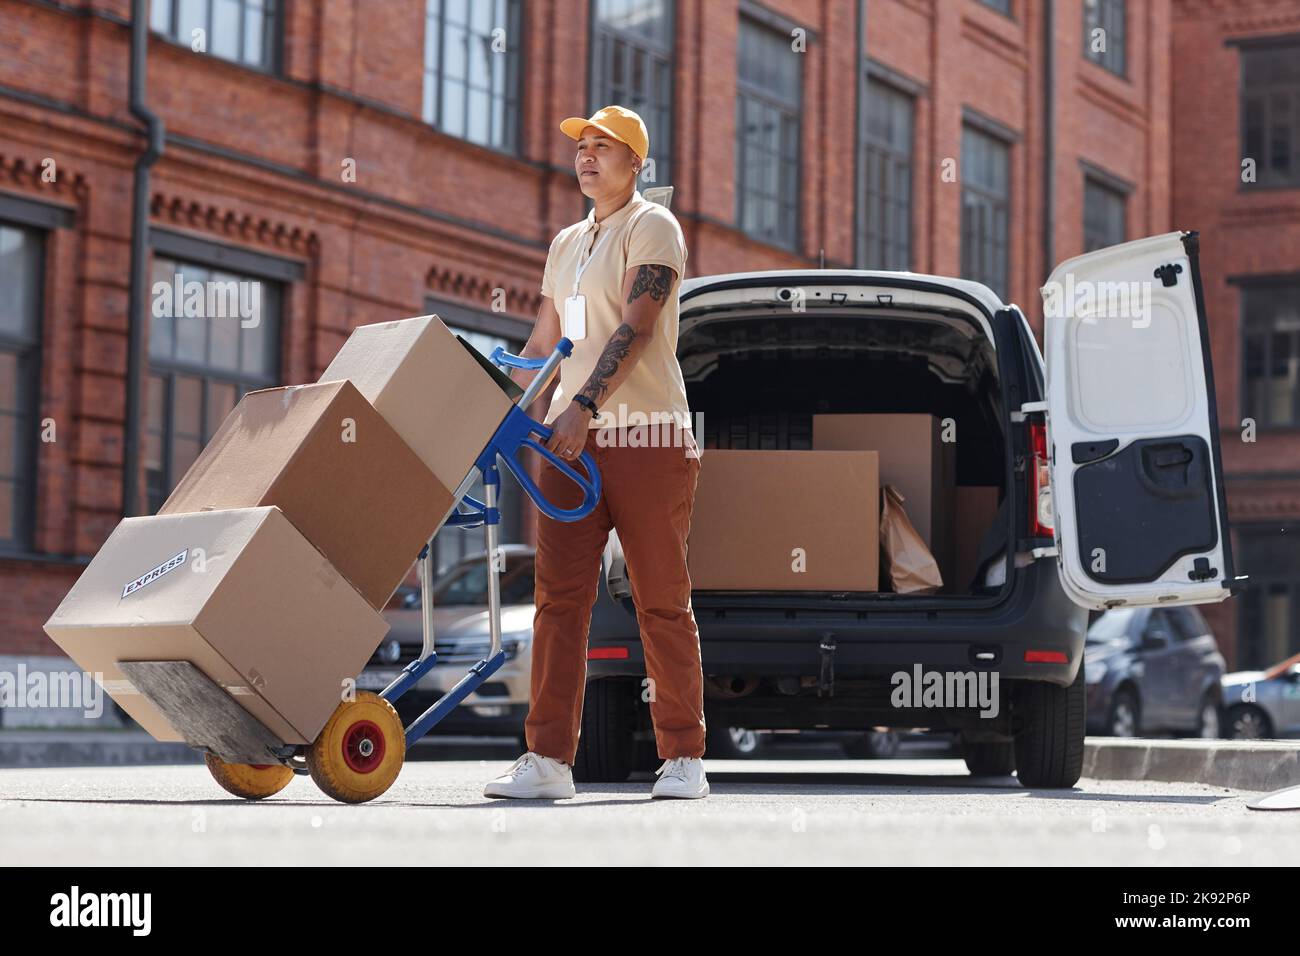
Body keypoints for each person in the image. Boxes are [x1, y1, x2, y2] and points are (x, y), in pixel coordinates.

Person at [483, 105, 708, 800]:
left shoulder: (654, 227)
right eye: (582, 145)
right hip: (566, 443)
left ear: (635, 162)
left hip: (648, 438)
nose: (586, 155)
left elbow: (637, 328)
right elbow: (546, 342)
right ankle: (548, 763)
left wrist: (585, 405)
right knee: (558, 602)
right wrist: (500, 404)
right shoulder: (566, 243)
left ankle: (684, 759)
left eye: (603, 146)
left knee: (659, 599)